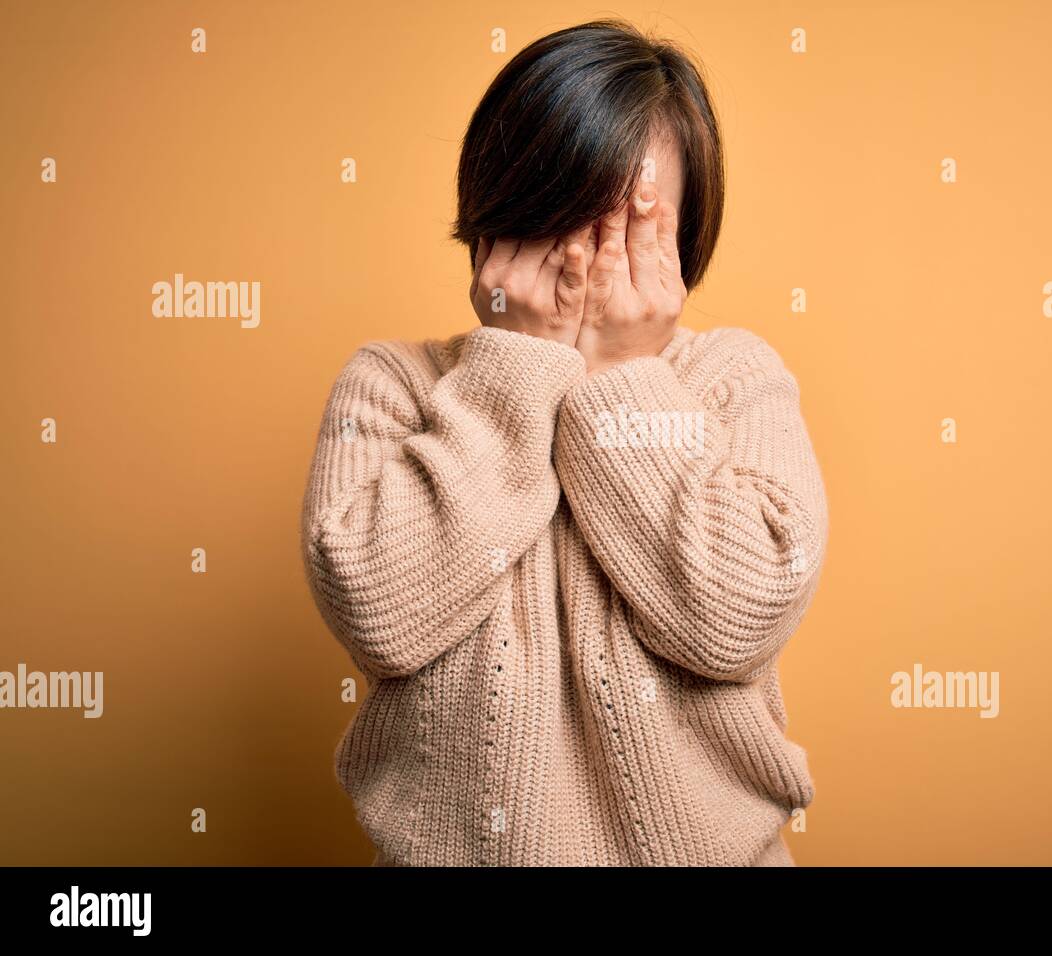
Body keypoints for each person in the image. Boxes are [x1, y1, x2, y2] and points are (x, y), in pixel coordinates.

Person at [300, 19, 828, 866]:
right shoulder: (392, 383)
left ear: (683, 241)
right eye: (563, 216)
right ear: (497, 216)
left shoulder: (733, 376)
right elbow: (376, 609)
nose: (588, 260)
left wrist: (621, 373)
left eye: (628, 228)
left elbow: (740, 616)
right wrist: (519, 364)